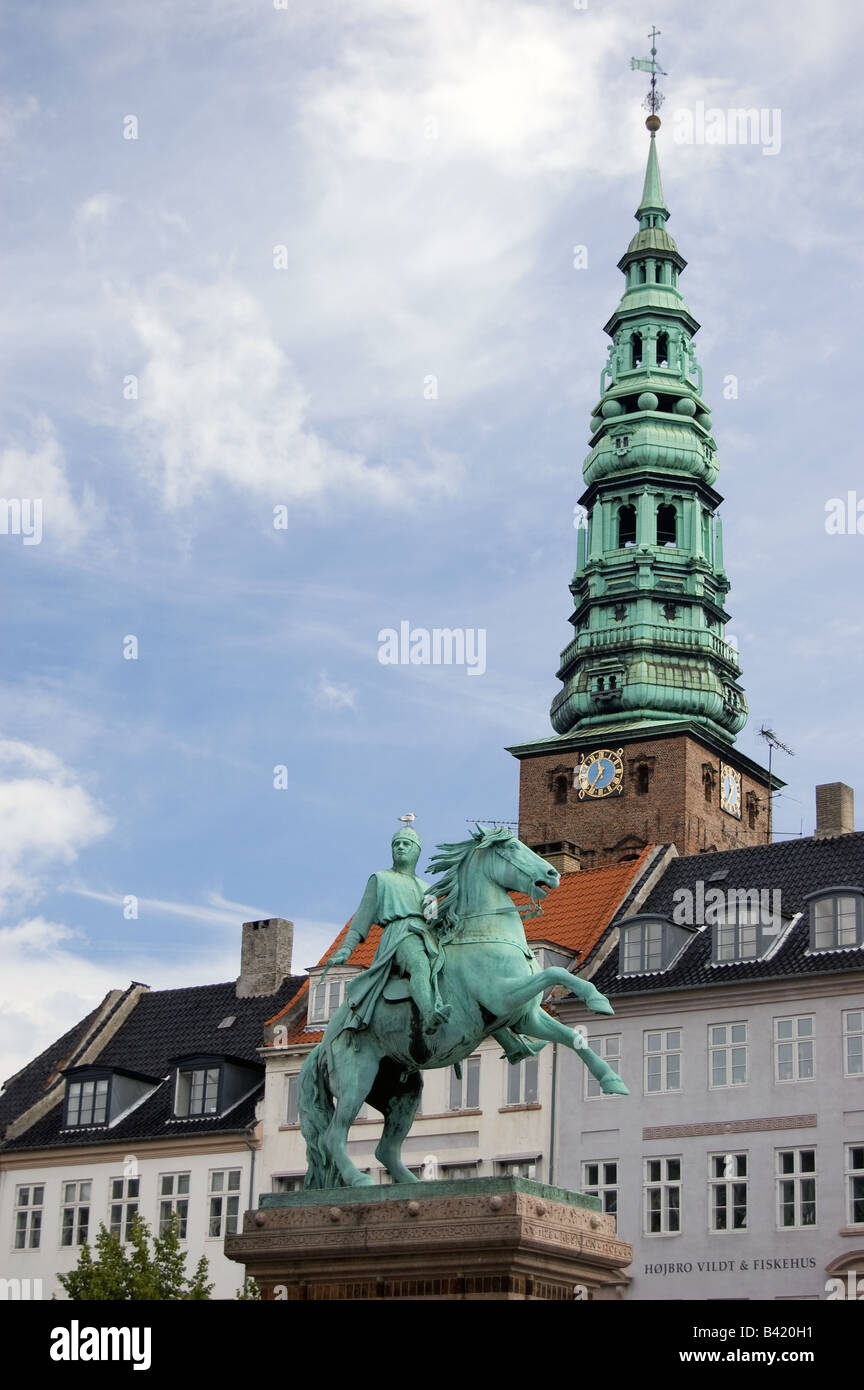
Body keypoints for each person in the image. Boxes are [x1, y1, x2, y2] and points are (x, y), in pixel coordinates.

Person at [330, 826, 449, 1036]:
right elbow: (362, 917)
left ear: (416, 850)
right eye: (396, 844)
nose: (400, 847)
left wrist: (438, 920)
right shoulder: (380, 878)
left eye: (406, 844)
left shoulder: (427, 888)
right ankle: (429, 1015)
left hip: (426, 936)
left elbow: (433, 921)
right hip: (400, 933)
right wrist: (346, 950)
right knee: (419, 963)